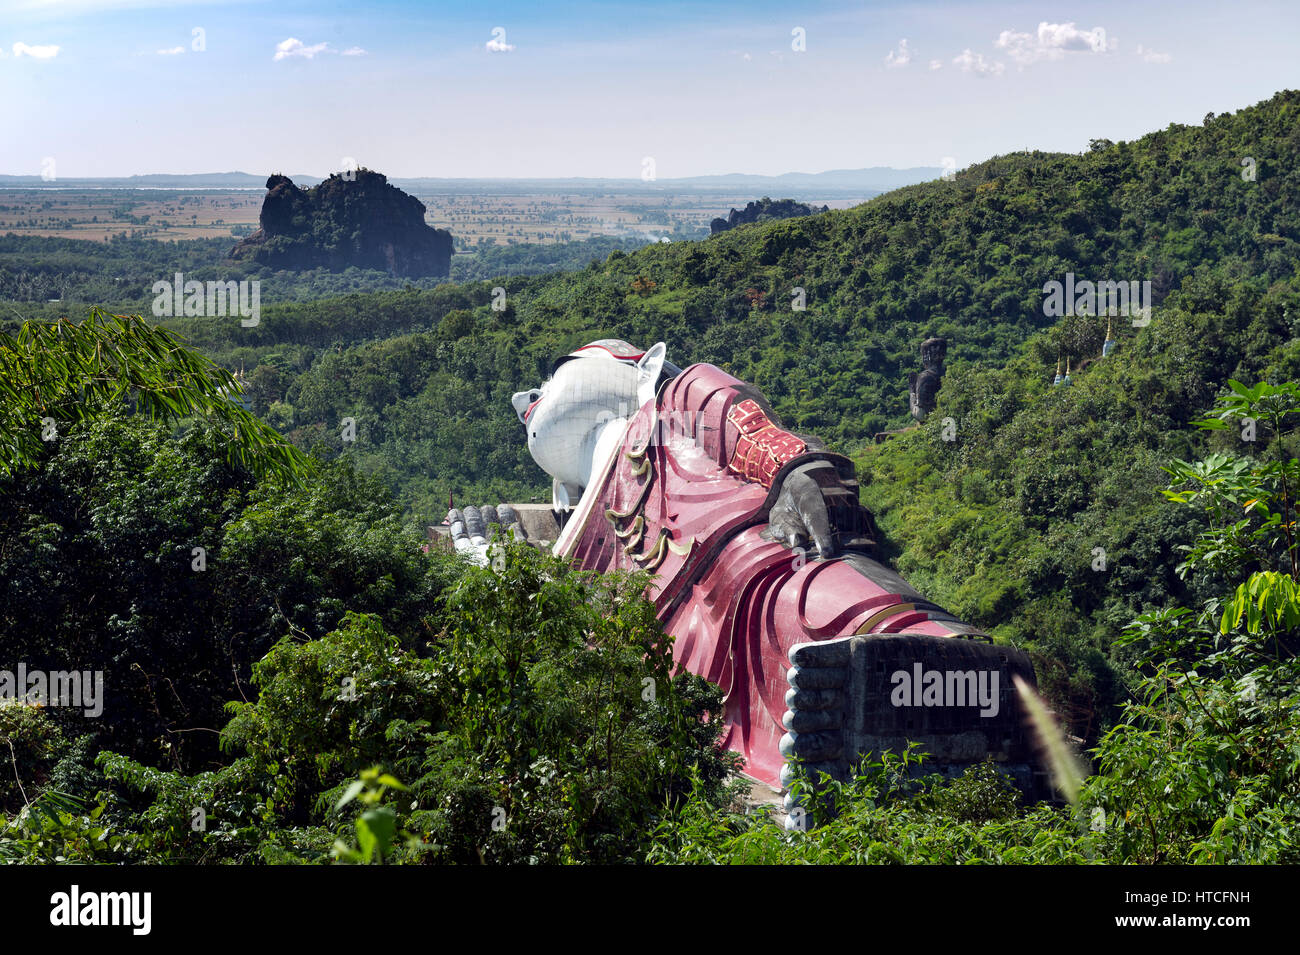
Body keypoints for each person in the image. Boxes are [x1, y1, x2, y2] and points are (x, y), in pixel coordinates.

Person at [504, 339, 1038, 793]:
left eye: (554, 377)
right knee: (697, 712)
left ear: (635, 369)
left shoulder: (674, 401)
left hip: (752, 560)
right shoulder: (573, 536)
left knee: (814, 599)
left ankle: (948, 663)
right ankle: (818, 738)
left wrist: (796, 469)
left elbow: (745, 424)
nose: (530, 399)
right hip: (673, 639)